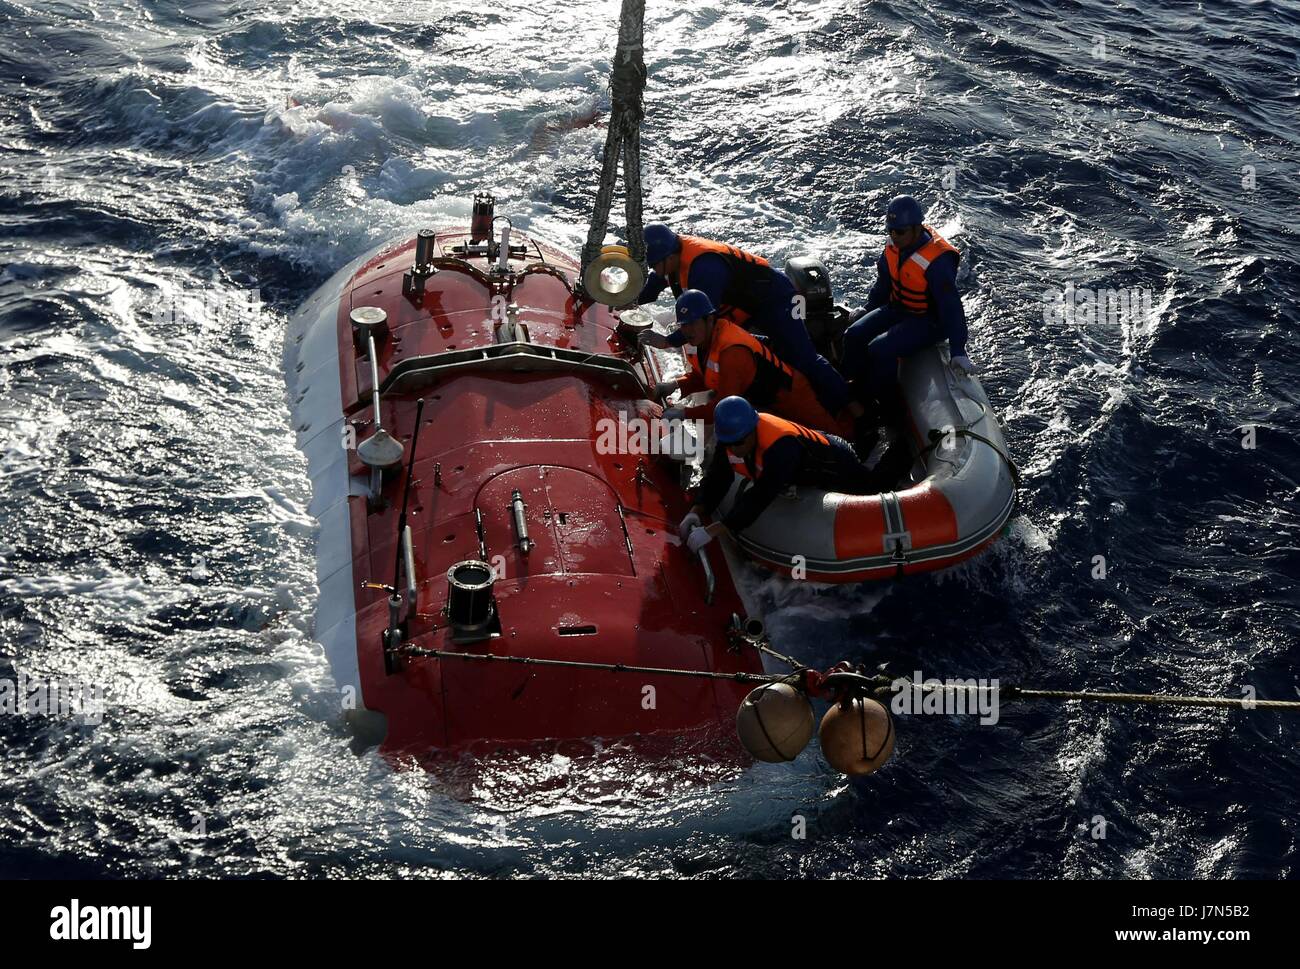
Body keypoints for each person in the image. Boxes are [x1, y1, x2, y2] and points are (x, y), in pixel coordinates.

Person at [634, 223, 855, 416]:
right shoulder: (672, 257)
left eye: (654, 265)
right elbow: (652, 288)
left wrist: (667, 341)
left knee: (803, 357)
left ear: (668, 257)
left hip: (777, 300)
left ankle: (853, 406)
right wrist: (624, 299)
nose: (654, 270)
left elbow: (699, 321)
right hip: (745, 306)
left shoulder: (703, 268)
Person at [679, 397, 886, 553]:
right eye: (729, 443)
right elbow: (718, 475)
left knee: (872, 491)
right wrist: (697, 510)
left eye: (739, 442)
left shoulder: (780, 448)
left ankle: (897, 452)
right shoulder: (732, 439)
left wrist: (717, 529)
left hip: (836, 462)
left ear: (752, 430)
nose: (735, 449)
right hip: (801, 469)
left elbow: (762, 494)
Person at [655, 290, 852, 438]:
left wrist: (684, 413)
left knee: (834, 438)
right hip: (763, 400)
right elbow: (707, 375)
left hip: (791, 396)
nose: (688, 330)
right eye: (684, 325)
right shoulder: (704, 340)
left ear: (710, 319)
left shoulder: (731, 352)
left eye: (693, 323)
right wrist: (676, 385)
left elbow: (722, 409)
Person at [841, 195, 976, 411]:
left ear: (916, 228)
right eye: (891, 230)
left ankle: (886, 407)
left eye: (900, 231)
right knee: (853, 335)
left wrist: (958, 349)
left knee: (879, 349)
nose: (894, 236)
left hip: (928, 321)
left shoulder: (938, 261)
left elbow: (951, 306)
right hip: (898, 307)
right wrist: (868, 308)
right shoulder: (893, 247)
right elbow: (884, 284)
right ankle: (853, 390)